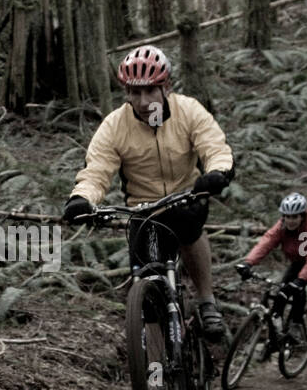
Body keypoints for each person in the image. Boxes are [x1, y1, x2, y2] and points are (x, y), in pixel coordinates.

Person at [61, 45, 234, 339]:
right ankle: (155, 373)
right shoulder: (115, 125)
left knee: (189, 228)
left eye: (150, 91)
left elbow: (214, 147)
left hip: (187, 198)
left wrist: (216, 173)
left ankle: (206, 301)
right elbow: (97, 170)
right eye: (133, 92)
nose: (142, 101)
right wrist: (82, 199)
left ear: (165, 87)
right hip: (144, 209)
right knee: (150, 306)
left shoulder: (189, 111)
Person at [236, 192, 307, 343]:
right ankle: (275, 337)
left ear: (302, 216)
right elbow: (267, 242)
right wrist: (248, 263)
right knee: (281, 293)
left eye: (294, 217)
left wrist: (300, 280)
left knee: (296, 287)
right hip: (299, 262)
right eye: (287, 216)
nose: (290, 220)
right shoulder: (281, 226)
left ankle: (296, 325)